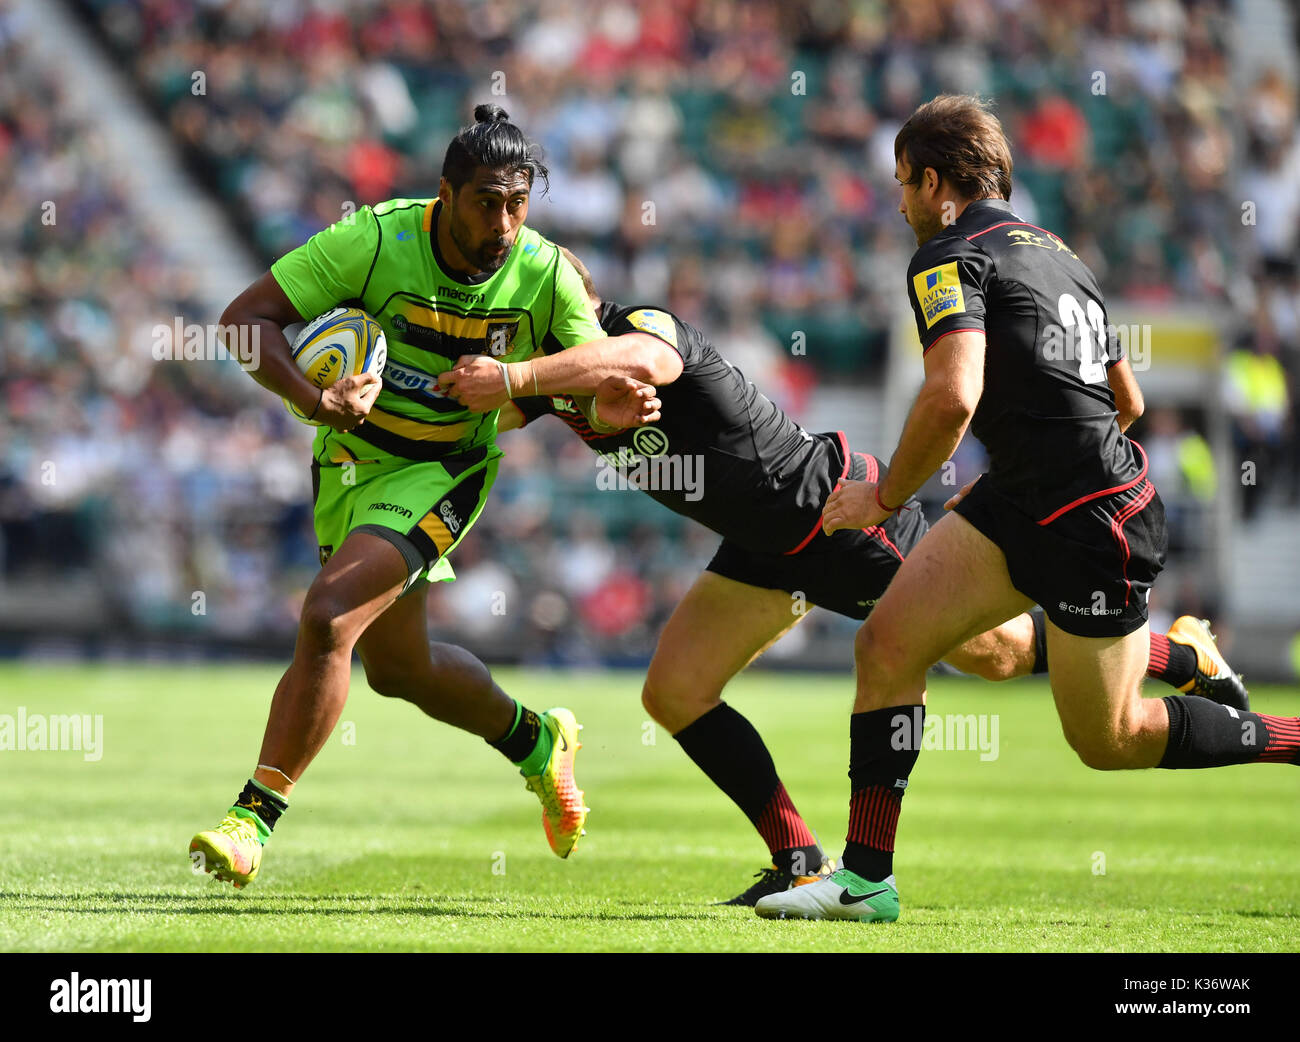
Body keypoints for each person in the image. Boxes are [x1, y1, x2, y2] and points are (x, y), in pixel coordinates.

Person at [440, 247, 1250, 907]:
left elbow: (649, 357)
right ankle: (798, 861)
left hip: (830, 513)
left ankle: (1178, 654)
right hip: (761, 543)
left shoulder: (634, 325)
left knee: (994, 654)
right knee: (675, 690)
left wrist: (516, 377)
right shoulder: (558, 377)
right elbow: (485, 413)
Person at [753, 95, 1300, 923]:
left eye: (902, 182)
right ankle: (865, 881)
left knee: (1108, 740)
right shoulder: (1060, 253)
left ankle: (1288, 735)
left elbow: (952, 397)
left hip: (1091, 523)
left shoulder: (946, 254)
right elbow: (1127, 401)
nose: (899, 203)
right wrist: (1034, 468)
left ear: (933, 182)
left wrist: (885, 496)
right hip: (1034, 497)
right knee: (890, 644)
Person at [189, 105, 659, 888]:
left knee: (327, 615)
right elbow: (244, 322)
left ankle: (252, 820)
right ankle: (536, 741)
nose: (502, 224)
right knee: (399, 670)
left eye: (518, 204)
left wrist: (608, 407)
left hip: (445, 469)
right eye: (486, 203)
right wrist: (312, 398)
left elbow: (592, 379)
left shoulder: (543, 273)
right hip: (350, 462)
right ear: (445, 192)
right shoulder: (376, 240)